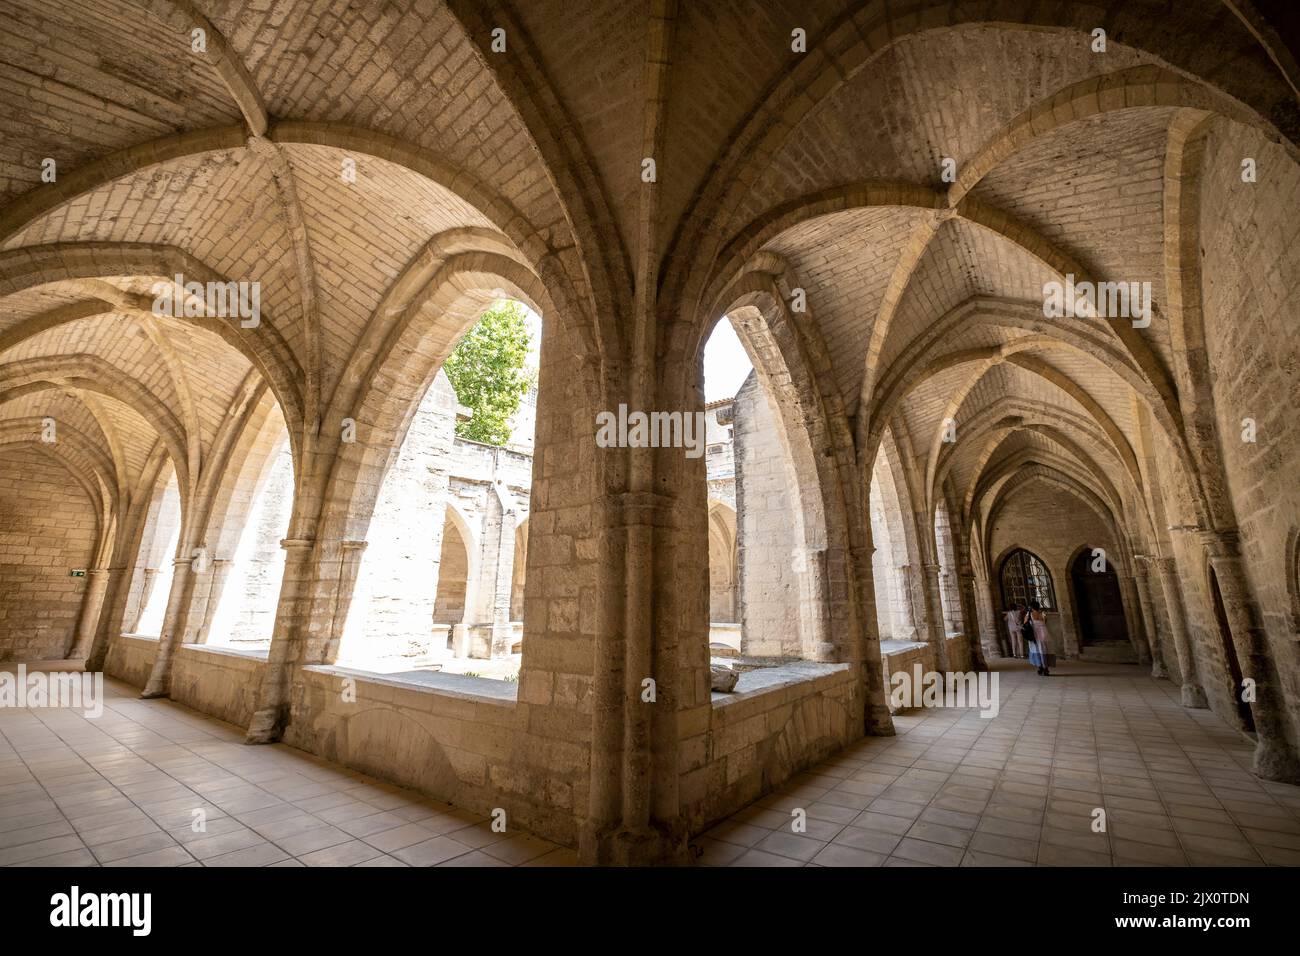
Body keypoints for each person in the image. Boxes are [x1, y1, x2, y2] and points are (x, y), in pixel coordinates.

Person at [1027, 600, 1051, 676]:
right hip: (1044, 633)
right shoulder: (1042, 614)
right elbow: (1044, 622)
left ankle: (1040, 667)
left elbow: (1025, 623)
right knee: (1044, 650)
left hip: (1035, 635)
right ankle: (1046, 668)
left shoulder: (1029, 614)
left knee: (1037, 650)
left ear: (1031, 607)